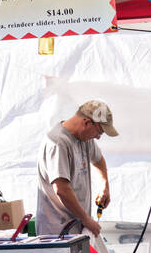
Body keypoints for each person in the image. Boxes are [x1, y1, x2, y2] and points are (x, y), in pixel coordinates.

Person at [36, 100, 116, 237]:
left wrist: (105, 185)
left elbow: (99, 159)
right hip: (57, 232)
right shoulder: (58, 143)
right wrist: (86, 220)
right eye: (100, 132)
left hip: (76, 227)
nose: (98, 137)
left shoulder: (84, 138)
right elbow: (62, 190)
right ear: (86, 122)